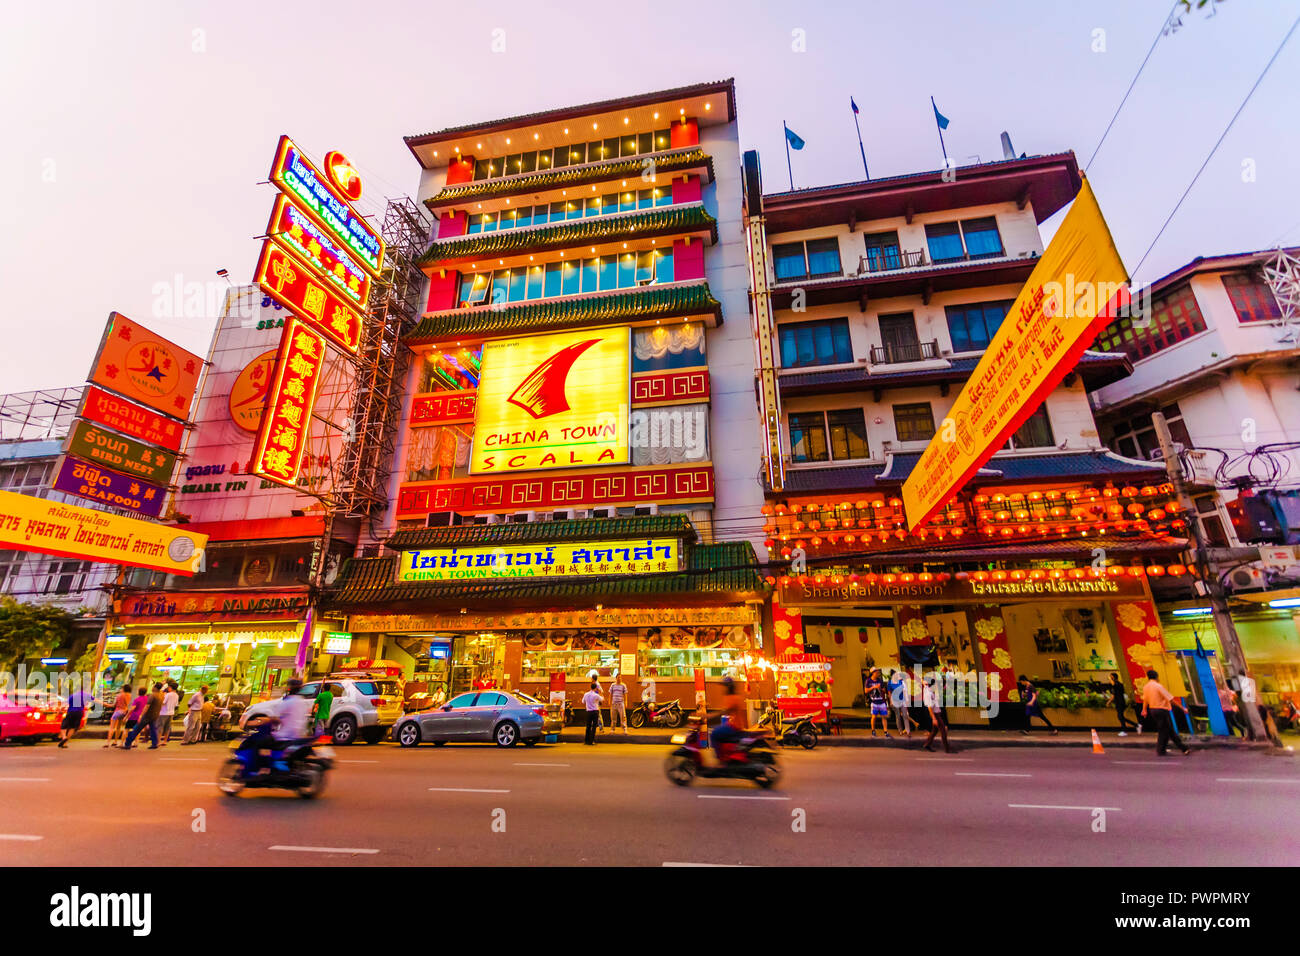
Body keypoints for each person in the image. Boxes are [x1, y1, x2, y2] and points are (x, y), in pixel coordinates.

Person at [1140, 669, 1190, 757]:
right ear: (1156, 676)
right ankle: (1181, 748)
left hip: (1153, 710)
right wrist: (1182, 708)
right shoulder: (1158, 686)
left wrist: (1144, 710)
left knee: (1165, 729)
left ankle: (1165, 749)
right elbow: (1170, 699)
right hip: (1161, 710)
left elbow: (1145, 700)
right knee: (1166, 730)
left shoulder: (1146, 687)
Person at [709, 676, 753, 759]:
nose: (723, 689)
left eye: (724, 686)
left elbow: (725, 711)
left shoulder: (733, 698)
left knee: (714, 734)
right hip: (733, 724)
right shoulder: (732, 697)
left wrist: (708, 716)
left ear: (729, 687)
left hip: (735, 727)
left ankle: (720, 759)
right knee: (715, 729)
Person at [123, 683, 165, 750]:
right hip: (155, 715)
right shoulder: (161, 696)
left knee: (136, 729)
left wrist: (141, 715)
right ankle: (154, 743)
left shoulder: (152, 695)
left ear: (155, 688)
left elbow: (147, 706)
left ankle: (127, 743)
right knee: (153, 730)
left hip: (147, 716)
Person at [922, 672, 955, 754]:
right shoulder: (928, 693)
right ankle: (947, 749)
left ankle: (927, 744)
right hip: (935, 714)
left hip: (937, 712)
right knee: (943, 730)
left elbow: (924, 682)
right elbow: (930, 707)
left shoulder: (928, 689)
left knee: (934, 731)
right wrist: (934, 718)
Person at [58, 683, 95, 748]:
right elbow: (95, 700)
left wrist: (60, 710)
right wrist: (106, 704)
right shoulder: (86, 695)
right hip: (79, 713)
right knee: (72, 728)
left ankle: (64, 738)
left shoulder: (72, 695)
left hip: (71, 712)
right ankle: (65, 743)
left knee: (63, 726)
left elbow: (65, 704)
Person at [889, 668, 915, 737]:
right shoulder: (890, 683)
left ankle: (908, 731)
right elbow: (889, 693)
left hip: (902, 700)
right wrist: (890, 702)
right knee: (898, 717)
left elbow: (904, 691)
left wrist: (906, 700)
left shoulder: (901, 681)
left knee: (905, 715)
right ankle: (900, 730)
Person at [865, 668, 890, 738]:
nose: (878, 673)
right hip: (874, 701)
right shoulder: (868, 681)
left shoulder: (880, 680)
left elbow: (884, 690)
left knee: (884, 717)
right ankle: (873, 730)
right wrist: (874, 687)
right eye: (876, 672)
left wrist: (881, 689)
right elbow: (866, 691)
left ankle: (885, 731)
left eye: (878, 672)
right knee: (874, 717)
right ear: (873, 673)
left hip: (881, 701)